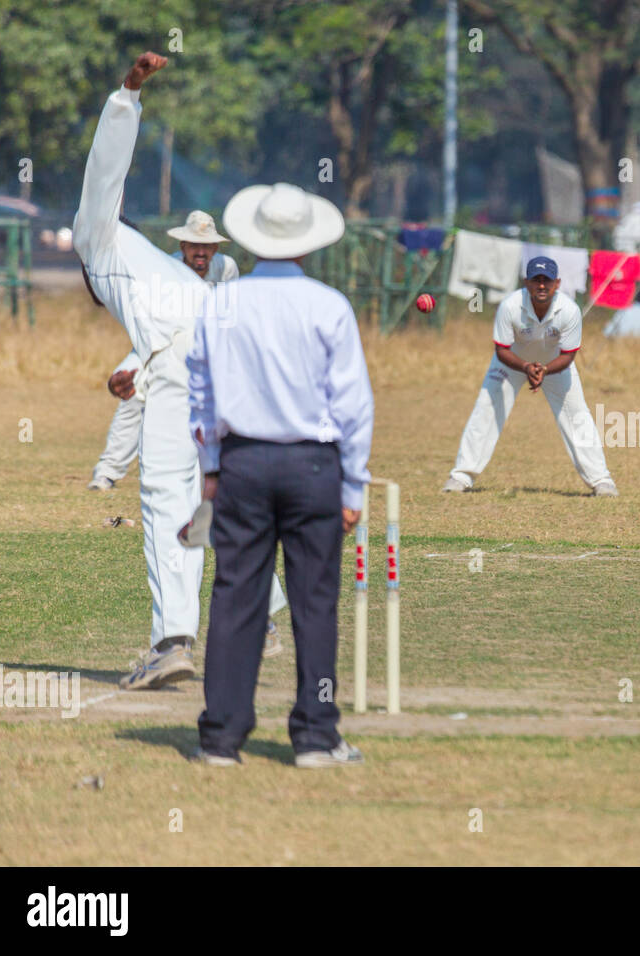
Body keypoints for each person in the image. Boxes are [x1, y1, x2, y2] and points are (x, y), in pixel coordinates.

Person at [187, 181, 373, 768]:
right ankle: (316, 737)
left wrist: (211, 468)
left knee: (236, 595)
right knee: (314, 601)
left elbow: (201, 393)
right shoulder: (328, 305)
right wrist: (354, 484)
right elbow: (353, 405)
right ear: (306, 244)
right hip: (312, 463)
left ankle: (221, 737)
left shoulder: (221, 301)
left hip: (241, 460)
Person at [74, 52, 214, 691]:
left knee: (163, 503)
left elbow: (105, 171)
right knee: (203, 498)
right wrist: (132, 365)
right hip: (214, 356)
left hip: (181, 366)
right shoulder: (154, 261)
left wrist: (127, 95)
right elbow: (165, 326)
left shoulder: (95, 236)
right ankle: (264, 612)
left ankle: (170, 643)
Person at [442, 257, 618, 496]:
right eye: (536, 280)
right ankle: (460, 477)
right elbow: (501, 350)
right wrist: (526, 367)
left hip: (555, 363)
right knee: (487, 408)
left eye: (547, 280)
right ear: (527, 282)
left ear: (557, 283)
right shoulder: (510, 306)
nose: (542, 285)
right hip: (512, 360)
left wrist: (544, 370)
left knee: (577, 415)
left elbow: (568, 356)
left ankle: (601, 481)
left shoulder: (569, 310)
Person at [87, 211, 236, 493]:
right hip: (160, 341)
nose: (200, 252)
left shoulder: (227, 269)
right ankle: (106, 473)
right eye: (194, 245)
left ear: (215, 248)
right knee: (132, 395)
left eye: (206, 246)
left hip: (205, 348)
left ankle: (217, 474)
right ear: (183, 247)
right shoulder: (164, 267)